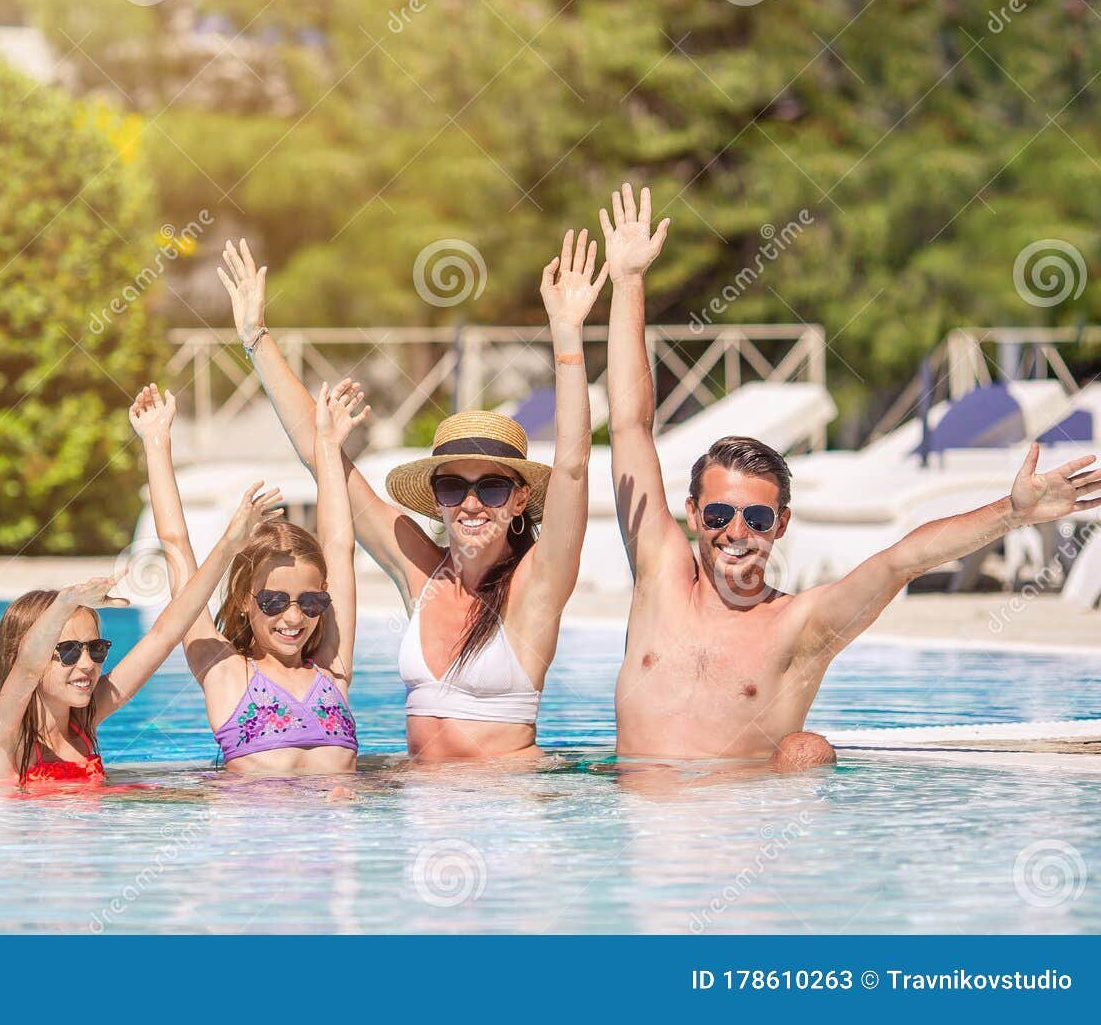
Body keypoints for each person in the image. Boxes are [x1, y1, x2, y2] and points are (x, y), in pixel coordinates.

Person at [602, 182, 1101, 770]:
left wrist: (1012, 513)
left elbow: (902, 561)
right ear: (693, 514)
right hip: (632, 818)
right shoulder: (659, 581)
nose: (736, 532)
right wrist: (628, 282)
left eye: (756, 516)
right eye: (719, 513)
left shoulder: (801, 627)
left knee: (806, 753)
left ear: (780, 523)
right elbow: (630, 426)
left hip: (739, 816)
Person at [219, 232, 605, 761]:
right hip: (419, 799)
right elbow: (324, 459)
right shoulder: (420, 572)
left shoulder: (538, 582)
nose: (471, 504)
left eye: (491, 487)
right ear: (437, 499)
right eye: (453, 487)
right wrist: (256, 339)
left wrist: (567, 336)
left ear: (520, 500)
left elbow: (573, 469)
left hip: (509, 800)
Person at [128, 378, 365, 775]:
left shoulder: (332, 669)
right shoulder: (225, 672)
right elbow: (176, 545)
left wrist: (328, 444)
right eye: (273, 602)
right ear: (243, 600)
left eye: (310, 602)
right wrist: (156, 443)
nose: (294, 618)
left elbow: (340, 547)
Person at [0, 484, 283, 787]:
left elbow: (164, 634)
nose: (87, 664)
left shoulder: (83, 721)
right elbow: (28, 667)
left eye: (96, 649)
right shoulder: (4, 729)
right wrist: (65, 603)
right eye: (69, 651)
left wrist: (228, 546)